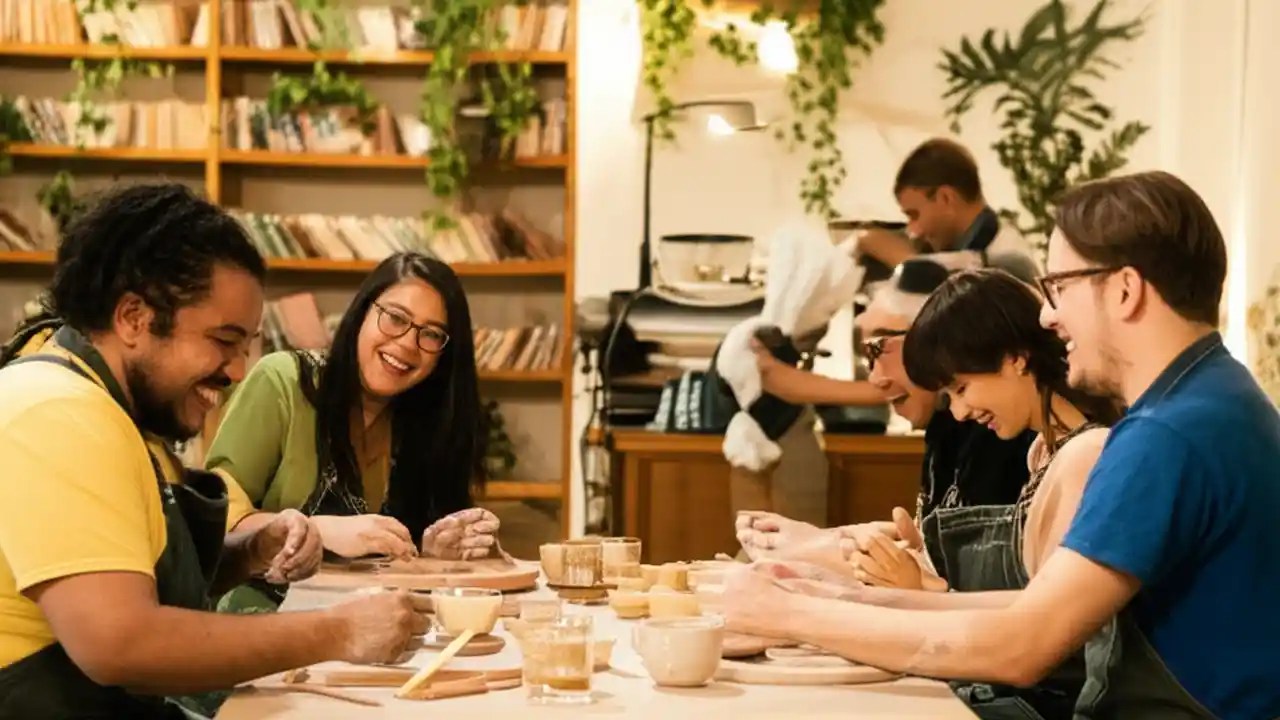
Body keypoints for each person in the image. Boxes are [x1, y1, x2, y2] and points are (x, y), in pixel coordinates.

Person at [721, 171, 1280, 720]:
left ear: (1126, 289)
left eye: (1058, 287)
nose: (1047, 316)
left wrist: (789, 616)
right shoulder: (1213, 398)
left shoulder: (1167, 436)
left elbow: (1021, 646)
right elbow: (1033, 604)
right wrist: (844, 600)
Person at [0, 183, 416, 719]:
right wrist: (339, 631)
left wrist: (250, 552)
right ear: (133, 318)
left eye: (245, 347)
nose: (239, 371)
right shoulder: (58, 411)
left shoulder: (118, 404)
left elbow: (134, 574)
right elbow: (120, 644)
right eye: (223, 341)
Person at [206, 252, 500, 609]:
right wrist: (320, 531)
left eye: (432, 334)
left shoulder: (427, 421)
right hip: (260, 625)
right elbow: (214, 520)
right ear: (362, 312)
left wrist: (434, 555)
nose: (408, 343)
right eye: (395, 318)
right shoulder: (283, 381)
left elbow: (405, 577)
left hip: (377, 633)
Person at [739, 258, 1037, 582]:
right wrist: (830, 539)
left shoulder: (999, 430)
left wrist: (816, 548)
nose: (877, 379)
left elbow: (965, 577)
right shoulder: (952, 425)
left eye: (879, 349)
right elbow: (931, 543)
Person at [857, 137, 1038, 273]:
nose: (913, 231)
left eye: (915, 215)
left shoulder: (1007, 260)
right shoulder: (983, 247)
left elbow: (941, 283)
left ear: (946, 198)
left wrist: (897, 256)